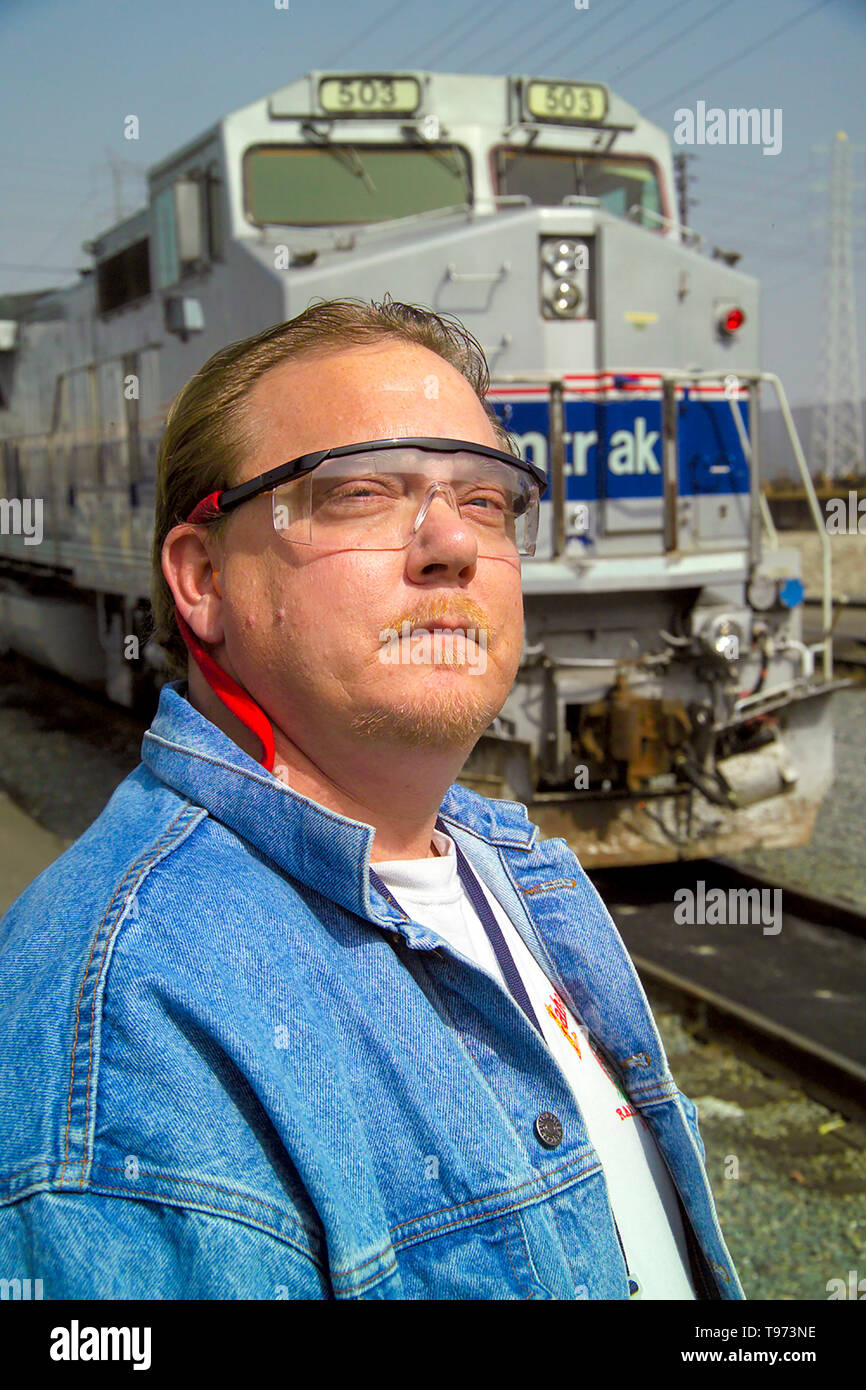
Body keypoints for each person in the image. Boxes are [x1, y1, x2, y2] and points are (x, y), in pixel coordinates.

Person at [0, 298, 744, 1300]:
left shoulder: (512, 867)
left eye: (486, 499)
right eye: (357, 491)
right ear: (202, 579)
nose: (452, 545)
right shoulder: (132, 1021)